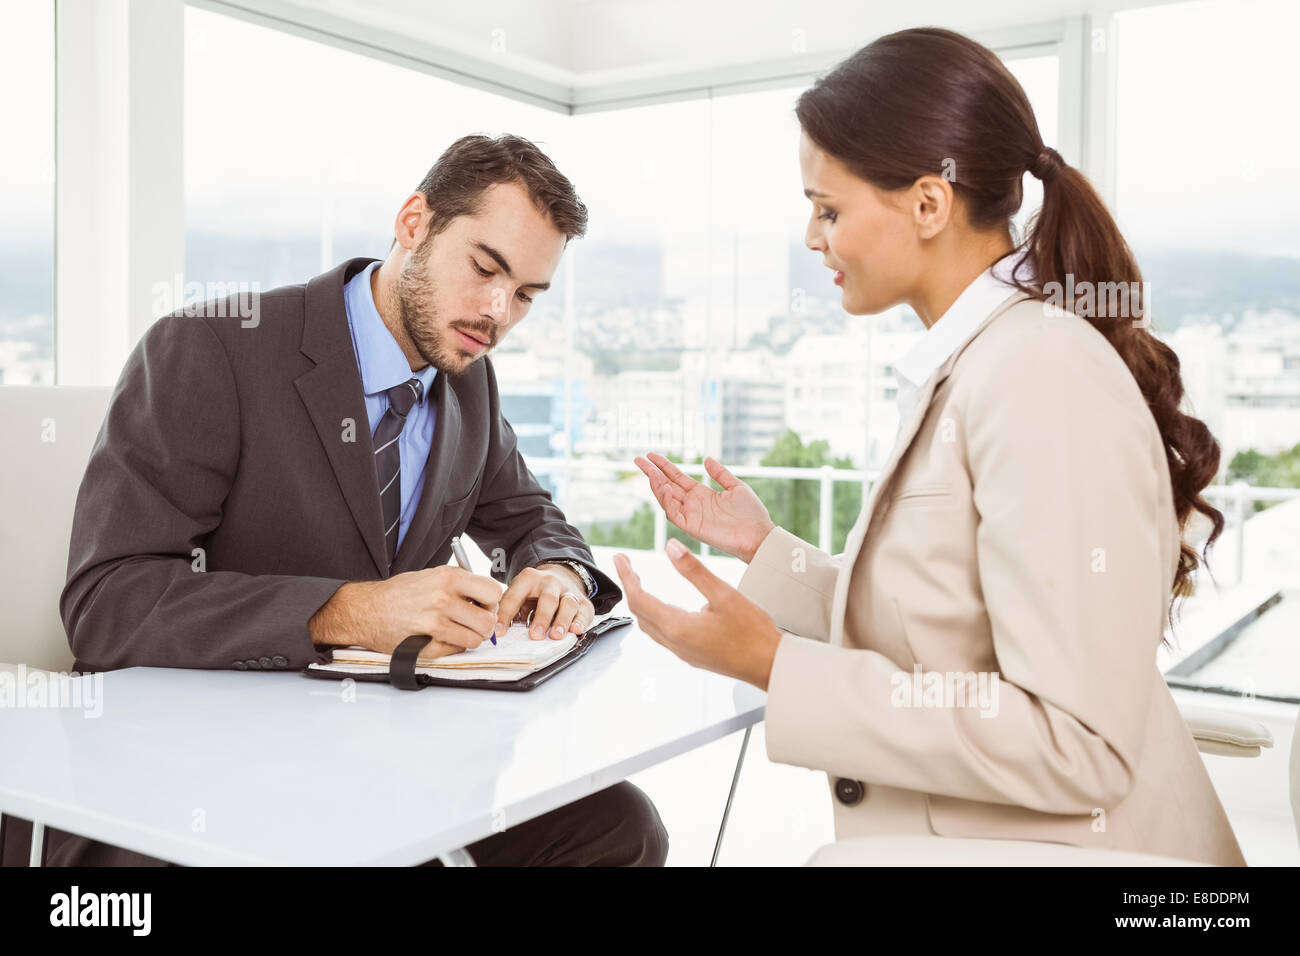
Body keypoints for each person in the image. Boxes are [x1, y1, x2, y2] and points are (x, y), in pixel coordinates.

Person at [615, 27, 1244, 866]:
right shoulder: (984, 362)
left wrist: (777, 666)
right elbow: (939, 631)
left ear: (927, 203)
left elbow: (1076, 742)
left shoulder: (1041, 372)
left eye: (829, 209)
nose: (812, 238)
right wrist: (765, 552)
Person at [13, 134, 666, 868]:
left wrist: (559, 572)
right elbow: (108, 602)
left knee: (619, 825)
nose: (496, 313)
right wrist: (348, 611)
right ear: (414, 222)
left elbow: (531, 517)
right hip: (194, 765)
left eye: (525, 296)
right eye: (485, 268)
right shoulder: (209, 348)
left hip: (376, 754)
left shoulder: (468, 383)